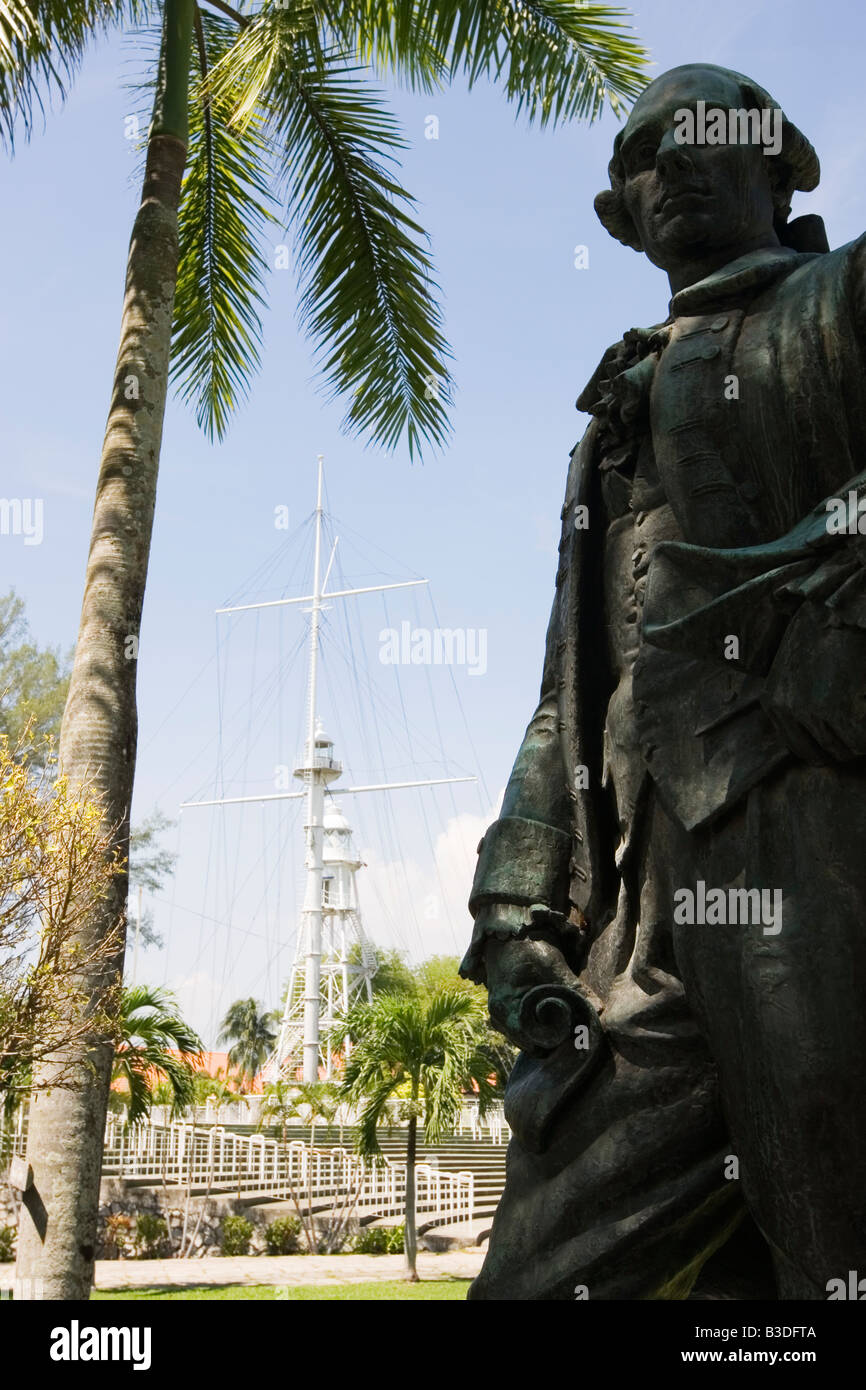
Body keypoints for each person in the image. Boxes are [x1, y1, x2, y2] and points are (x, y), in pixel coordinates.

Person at [460, 63, 866, 1301]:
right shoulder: (609, 420)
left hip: (809, 844)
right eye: (646, 152)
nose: (678, 162)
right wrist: (516, 903)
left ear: (779, 160)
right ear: (618, 216)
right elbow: (565, 689)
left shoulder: (837, 305)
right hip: (642, 913)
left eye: (710, 134)